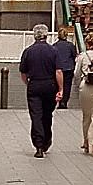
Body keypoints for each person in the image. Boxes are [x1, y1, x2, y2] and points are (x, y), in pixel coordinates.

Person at [18, 24, 63, 158]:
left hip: (34, 85)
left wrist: (28, 83)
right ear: (46, 35)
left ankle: (38, 145)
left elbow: (23, 72)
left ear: (34, 35)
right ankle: (46, 141)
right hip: (50, 84)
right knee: (47, 114)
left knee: (36, 115)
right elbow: (58, 71)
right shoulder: (53, 51)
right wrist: (60, 89)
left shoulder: (28, 51)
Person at [52, 27, 78, 109]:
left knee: (58, 85)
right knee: (67, 85)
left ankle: (59, 99)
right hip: (68, 68)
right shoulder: (70, 45)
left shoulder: (54, 46)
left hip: (58, 68)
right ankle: (64, 101)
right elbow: (74, 56)